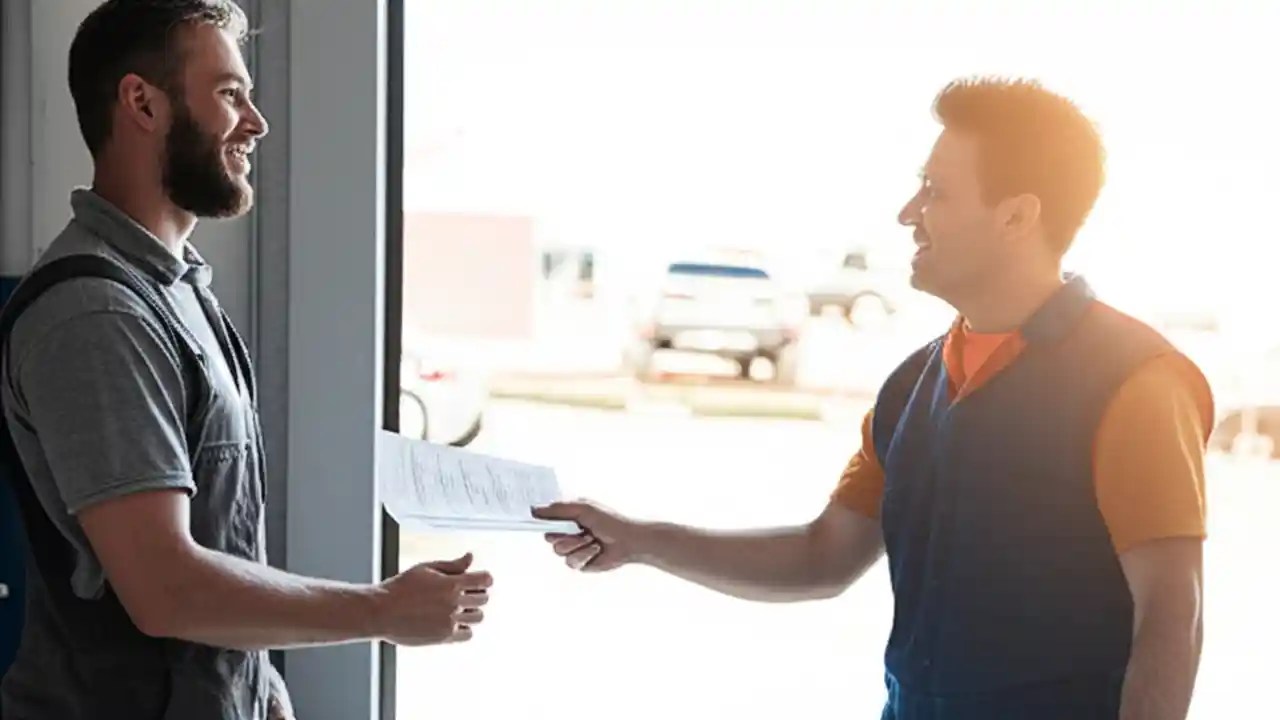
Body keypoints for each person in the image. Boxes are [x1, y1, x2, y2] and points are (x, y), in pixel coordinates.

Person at [536, 77, 1211, 720]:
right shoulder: (913, 383)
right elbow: (824, 554)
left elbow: (1171, 615)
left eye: (934, 192)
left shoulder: (1136, 381)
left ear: (1017, 215)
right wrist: (640, 540)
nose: (907, 215)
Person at [0, 2, 491, 719]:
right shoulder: (96, 314)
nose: (256, 122)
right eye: (231, 93)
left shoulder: (176, 292)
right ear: (142, 101)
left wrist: (260, 692)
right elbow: (166, 589)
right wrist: (383, 611)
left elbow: (218, 554)